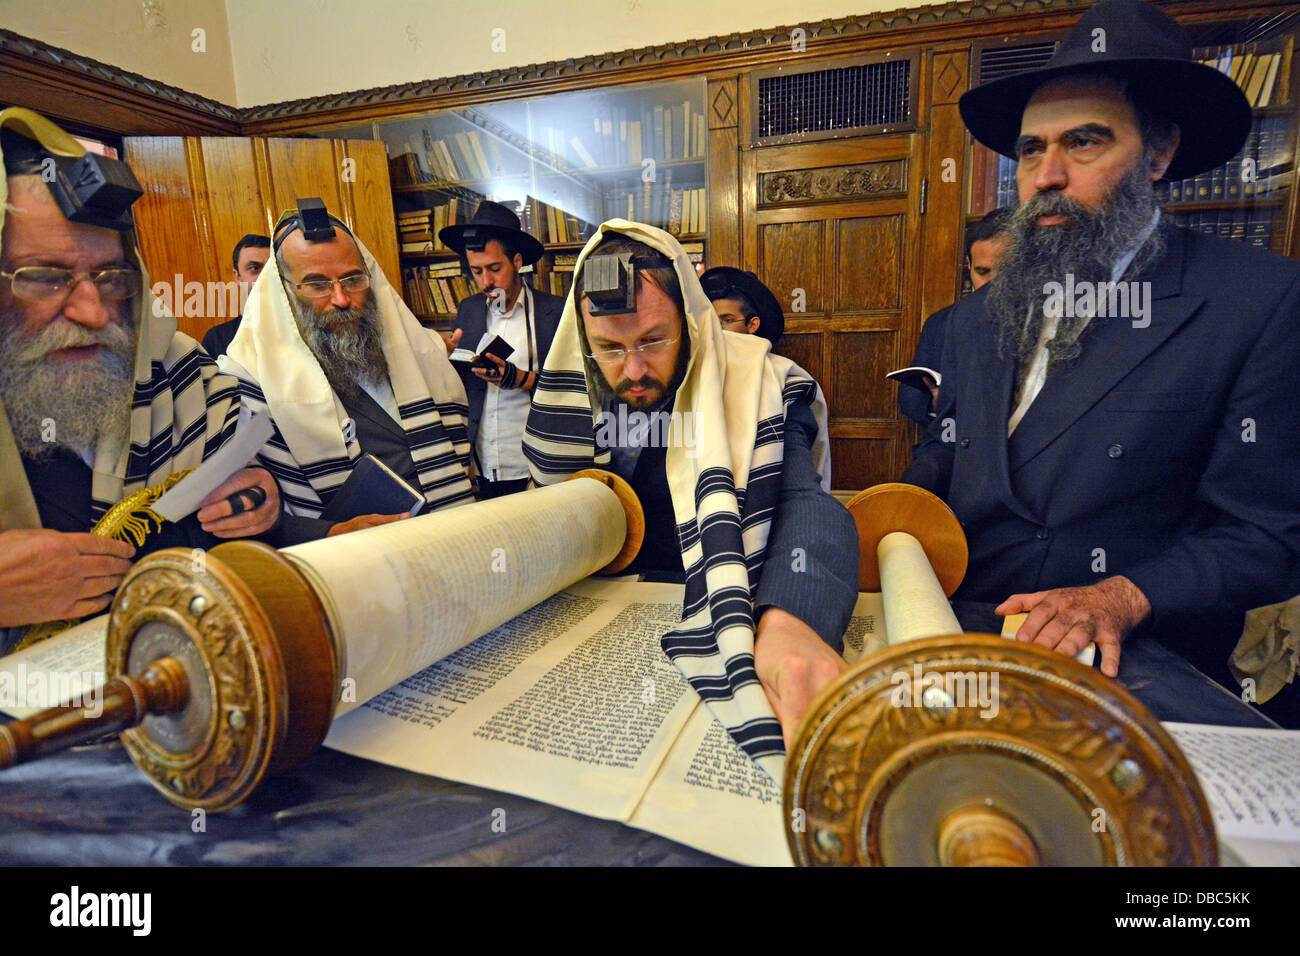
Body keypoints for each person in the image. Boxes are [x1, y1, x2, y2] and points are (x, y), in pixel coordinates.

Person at [904, 0, 1300, 690]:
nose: (1046, 176)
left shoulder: (1261, 302)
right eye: (1031, 150)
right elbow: (946, 452)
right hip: (963, 635)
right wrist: (883, 521)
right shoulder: (973, 319)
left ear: (1159, 152)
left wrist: (1121, 596)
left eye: (1083, 143)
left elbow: (1267, 533)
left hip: (1140, 664)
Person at [523, 220, 858, 777]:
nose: (632, 371)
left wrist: (792, 621)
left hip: (706, 615)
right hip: (599, 643)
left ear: (691, 320)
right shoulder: (580, 395)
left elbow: (806, 503)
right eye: (608, 347)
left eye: (653, 341)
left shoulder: (759, 380)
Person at [0, 108, 280, 649]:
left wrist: (263, 507)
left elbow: (244, 518)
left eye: (110, 277)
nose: (95, 312)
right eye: (44, 277)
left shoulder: (176, 370)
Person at [220, 201, 474, 544]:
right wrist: (334, 532)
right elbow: (249, 523)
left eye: (352, 279)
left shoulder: (420, 355)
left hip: (452, 543)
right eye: (317, 285)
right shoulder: (245, 385)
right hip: (342, 572)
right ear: (284, 294)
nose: (341, 299)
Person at [439, 201, 564, 499]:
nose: (486, 281)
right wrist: (441, 359)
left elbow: (577, 390)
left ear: (517, 261)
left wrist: (521, 379)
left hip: (535, 467)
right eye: (476, 271)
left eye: (495, 269)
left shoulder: (555, 312)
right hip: (482, 468)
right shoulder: (468, 310)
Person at [899, 209, 1012, 425]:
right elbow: (909, 398)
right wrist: (938, 403)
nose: (994, 285)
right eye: (983, 272)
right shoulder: (940, 323)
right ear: (969, 267)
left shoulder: (1049, 325)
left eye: (1006, 272)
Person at [200, 233, 270, 358]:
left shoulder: (307, 330)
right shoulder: (216, 340)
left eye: (272, 268)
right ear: (237, 277)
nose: (265, 276)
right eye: (255, 268)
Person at [699, 266, 784, 343]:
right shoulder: (706, 360)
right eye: (714, 321)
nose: (716, 329)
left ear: (752, 325)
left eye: (728, 320)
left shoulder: (776, 361)